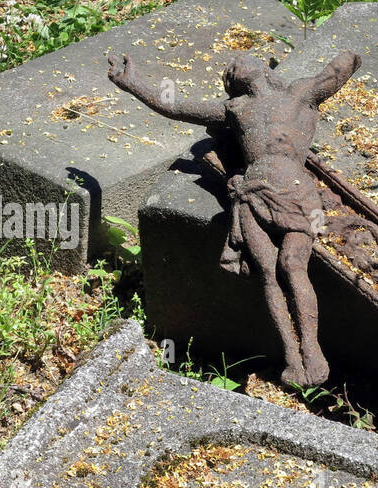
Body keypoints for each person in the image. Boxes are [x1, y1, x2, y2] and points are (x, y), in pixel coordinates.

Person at [107, 49, 362, 386]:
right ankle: (291, 357)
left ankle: (312, 353)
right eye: (231, 68)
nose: (236, 63)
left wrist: (353, 53)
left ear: (265, 68)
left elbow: (335, 73)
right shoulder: (234, 108)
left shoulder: (299, 92)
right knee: (268, 274)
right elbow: (175, 106)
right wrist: (133, 83)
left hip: (295, 190)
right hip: (251, 195)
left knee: (292, 264)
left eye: (244, 58)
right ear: (231, 85)